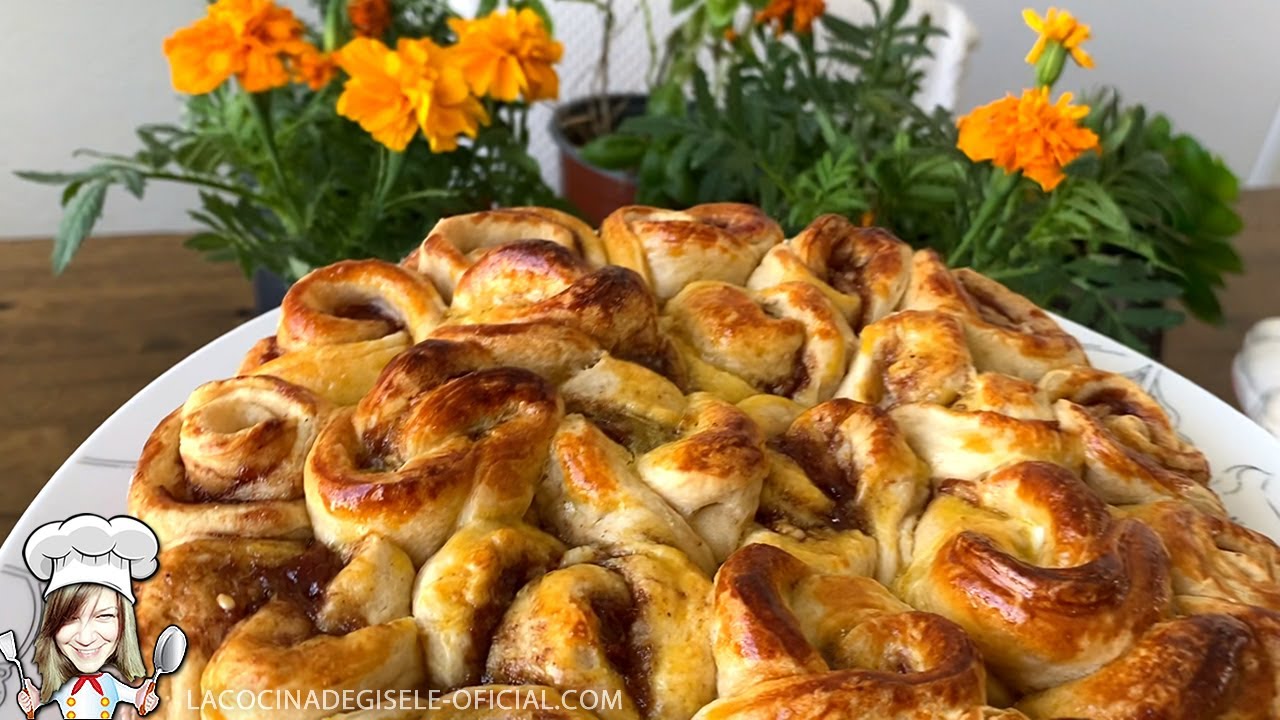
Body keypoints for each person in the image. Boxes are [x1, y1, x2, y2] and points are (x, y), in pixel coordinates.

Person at [14, 515, 163, 718]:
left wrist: (144, 697)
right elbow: (41, 700)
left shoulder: (111, 685)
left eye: (103, 616)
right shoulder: (64, 685)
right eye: (69, 618)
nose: (85, 639)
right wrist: (32, 700)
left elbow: (138, 699)